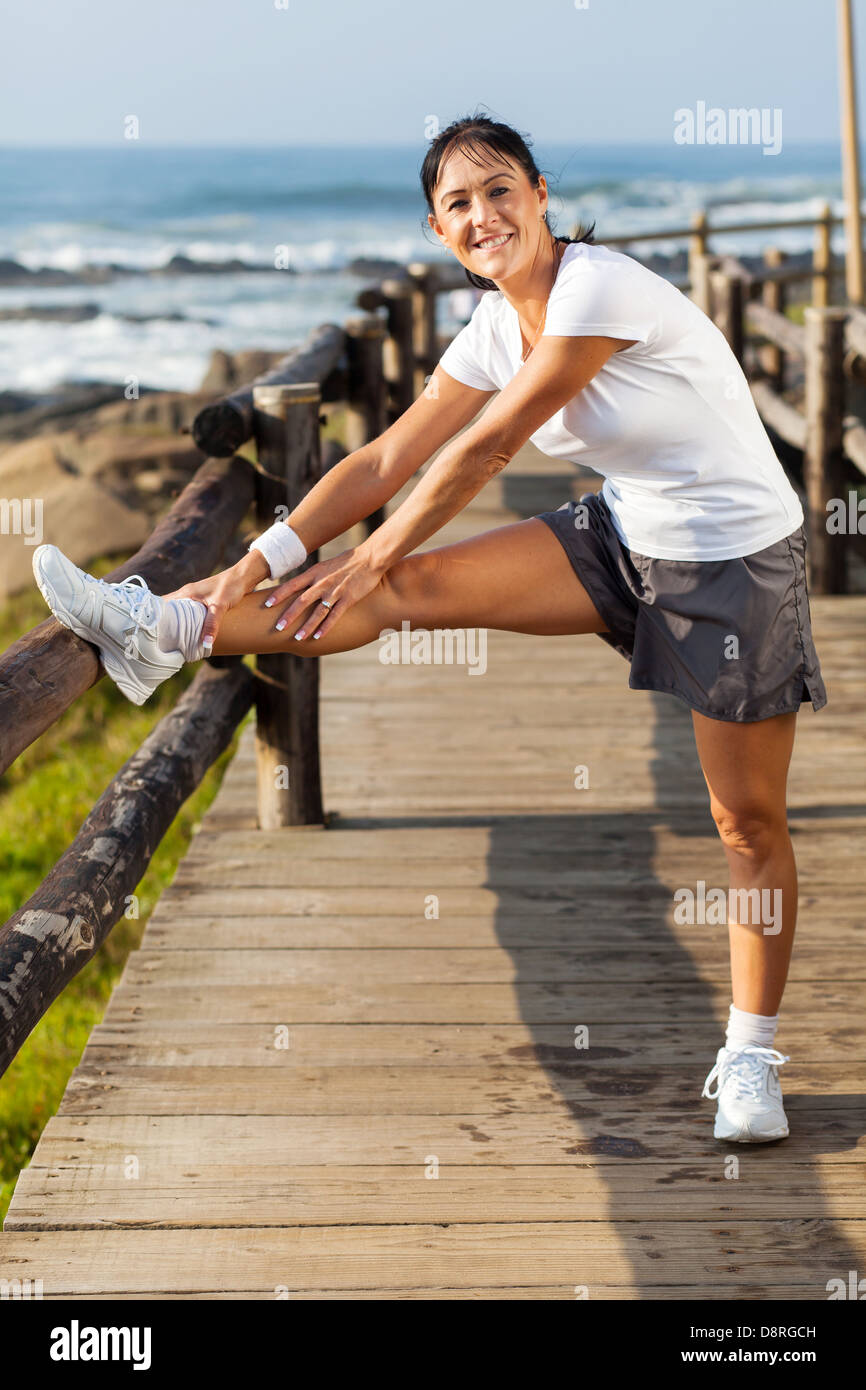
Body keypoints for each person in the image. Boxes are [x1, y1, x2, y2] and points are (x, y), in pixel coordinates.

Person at [32, 111, 828, 1144]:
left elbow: (492, 446)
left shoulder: (596, 288)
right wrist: (256, 562)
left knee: (744, 822)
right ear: (436, 230)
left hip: (732, 561)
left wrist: (368, 552)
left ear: (540, 196)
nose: (483, 214)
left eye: (500, 190)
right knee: (399, 588)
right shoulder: (494, 325)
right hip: (624, 532)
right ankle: (162, 627)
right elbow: (377, 462)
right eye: (458, 203)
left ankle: (750, 1055)